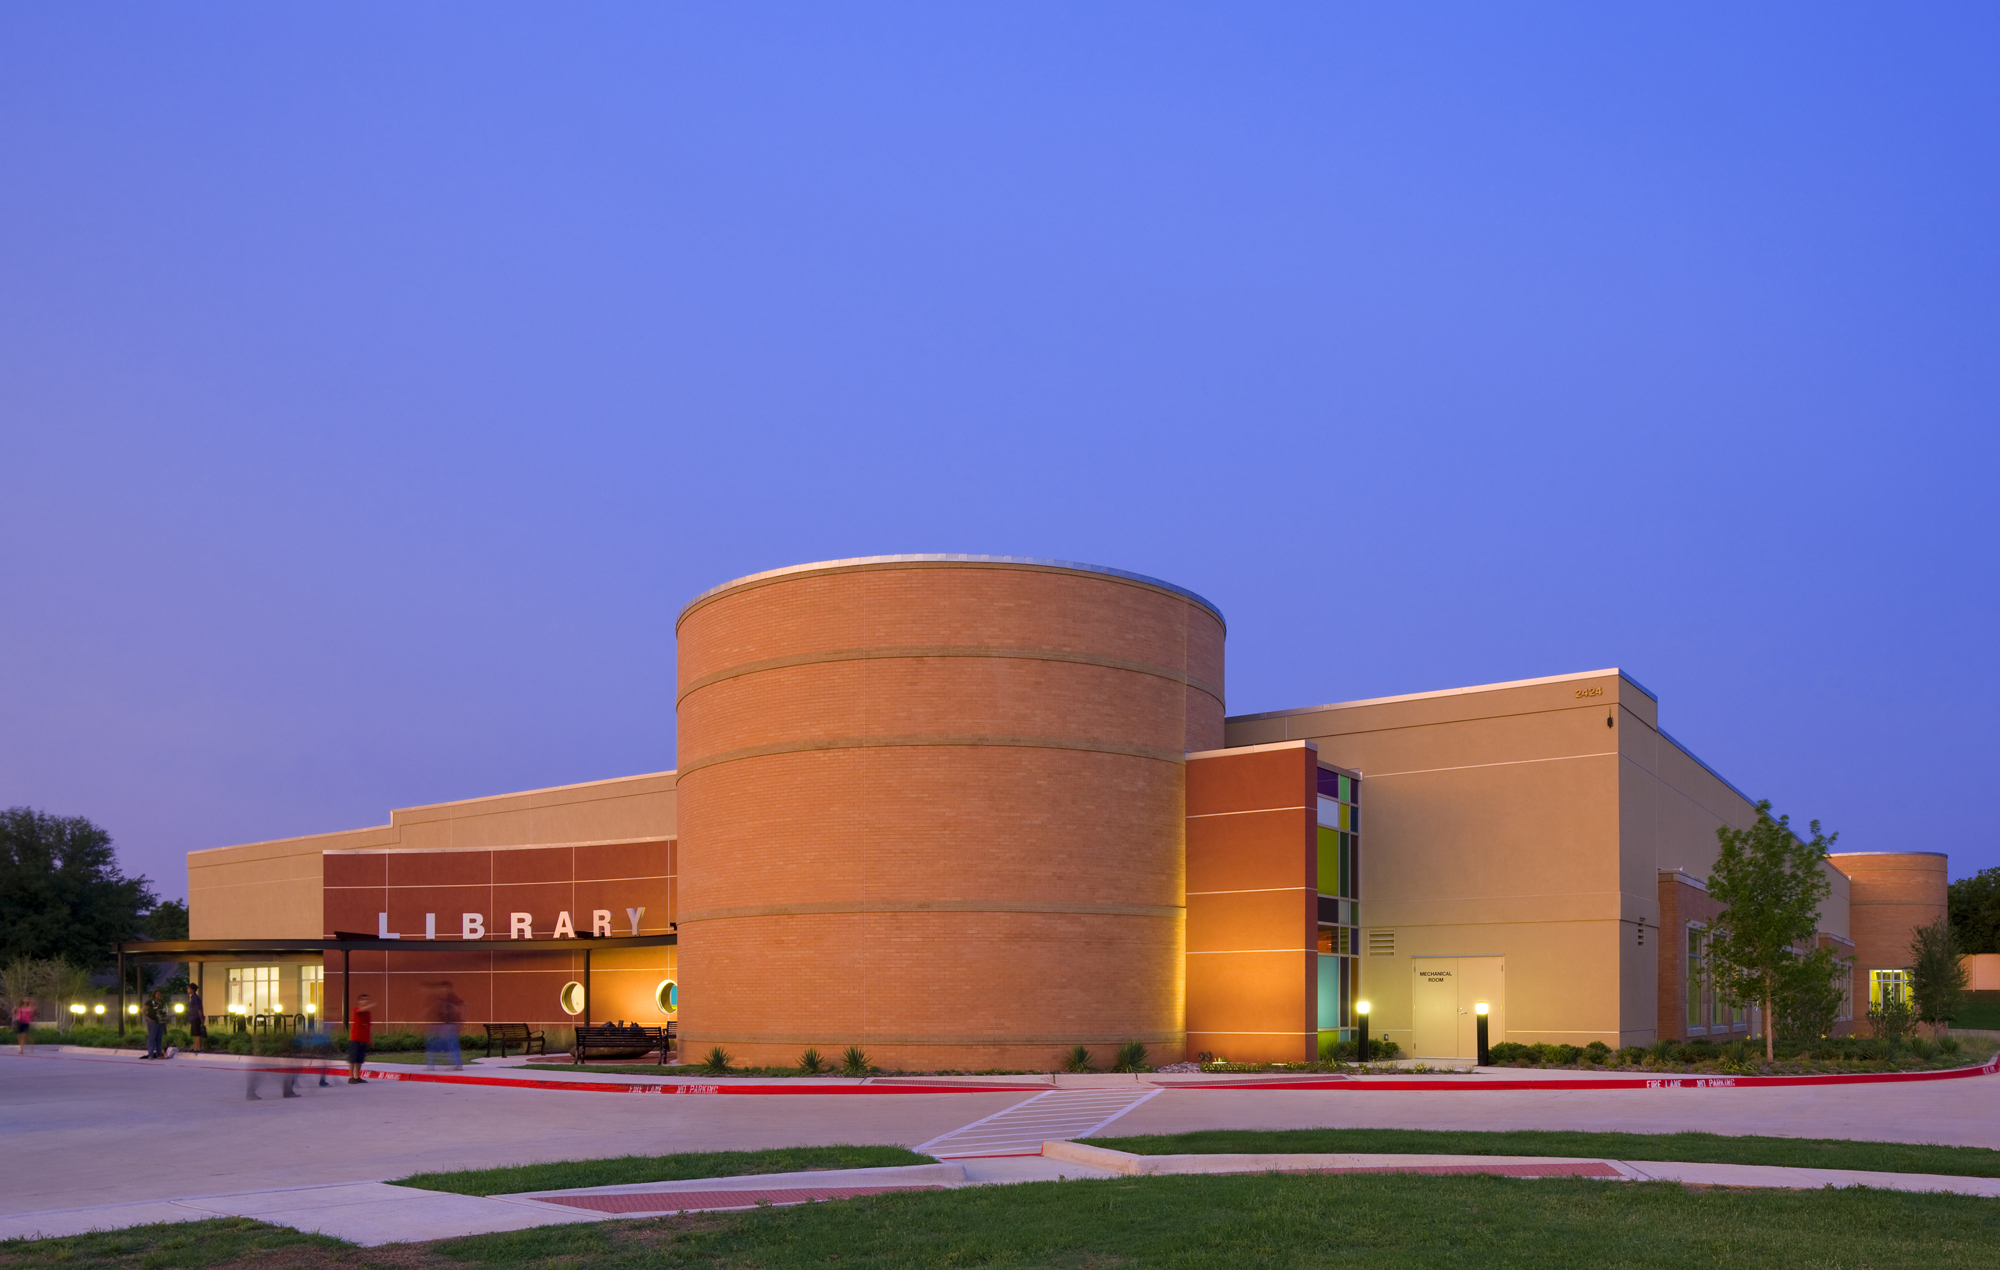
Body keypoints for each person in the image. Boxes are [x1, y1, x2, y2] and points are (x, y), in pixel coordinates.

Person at [425, 981, 464, 1071]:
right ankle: (457, 1064)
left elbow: (464, 1005)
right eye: (442, 988)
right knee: (449, 1044)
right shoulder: (443, 998)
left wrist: (461, 1020)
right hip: (444, 1024)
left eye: (445, 988)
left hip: (451, 1024)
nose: (443, 990)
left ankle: (457, 1064)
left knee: (449, 1044)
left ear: (449, 988)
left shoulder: (452, 998)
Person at [346, 993, 373, 1084]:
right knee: (352, 1058)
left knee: (359, 1059)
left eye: (367, 999)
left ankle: (357, 1076)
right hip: (355, 1038)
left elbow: (368, 1026)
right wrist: (369, 1006)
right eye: (363, 1000)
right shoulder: (356, 1010)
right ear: (359, 1001)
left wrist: (369, 1039)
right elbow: (360, 1011)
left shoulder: (368, 1013)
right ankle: (351, 1077)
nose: (365, 1001)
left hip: (363, 1039)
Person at [141, 989, 168, 1059]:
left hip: (161, 1022)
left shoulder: (162, 1002)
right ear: (154, 995)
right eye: (158, 994)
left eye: (160, 994)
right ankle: (150, 1055)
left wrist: (165, 1018)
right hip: (153, 1022)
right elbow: (142, 1010)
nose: (159, 995)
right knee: (152, 1038)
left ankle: (159, 1055)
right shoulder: (150, 1002)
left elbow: (164, 1011)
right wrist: (148, 1018)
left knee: (159, 1039)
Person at [185, 984, 206, 1054]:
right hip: (193, 1017)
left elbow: (198, 1008)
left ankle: (198, 1047)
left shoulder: (195, 998)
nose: (187, 990)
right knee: (195, 1033)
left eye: (189, 988)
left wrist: (201, 1017)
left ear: (192, 989)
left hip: (196, 1017)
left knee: (197, 1033)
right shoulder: (193, 997)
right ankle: (196, 1047)